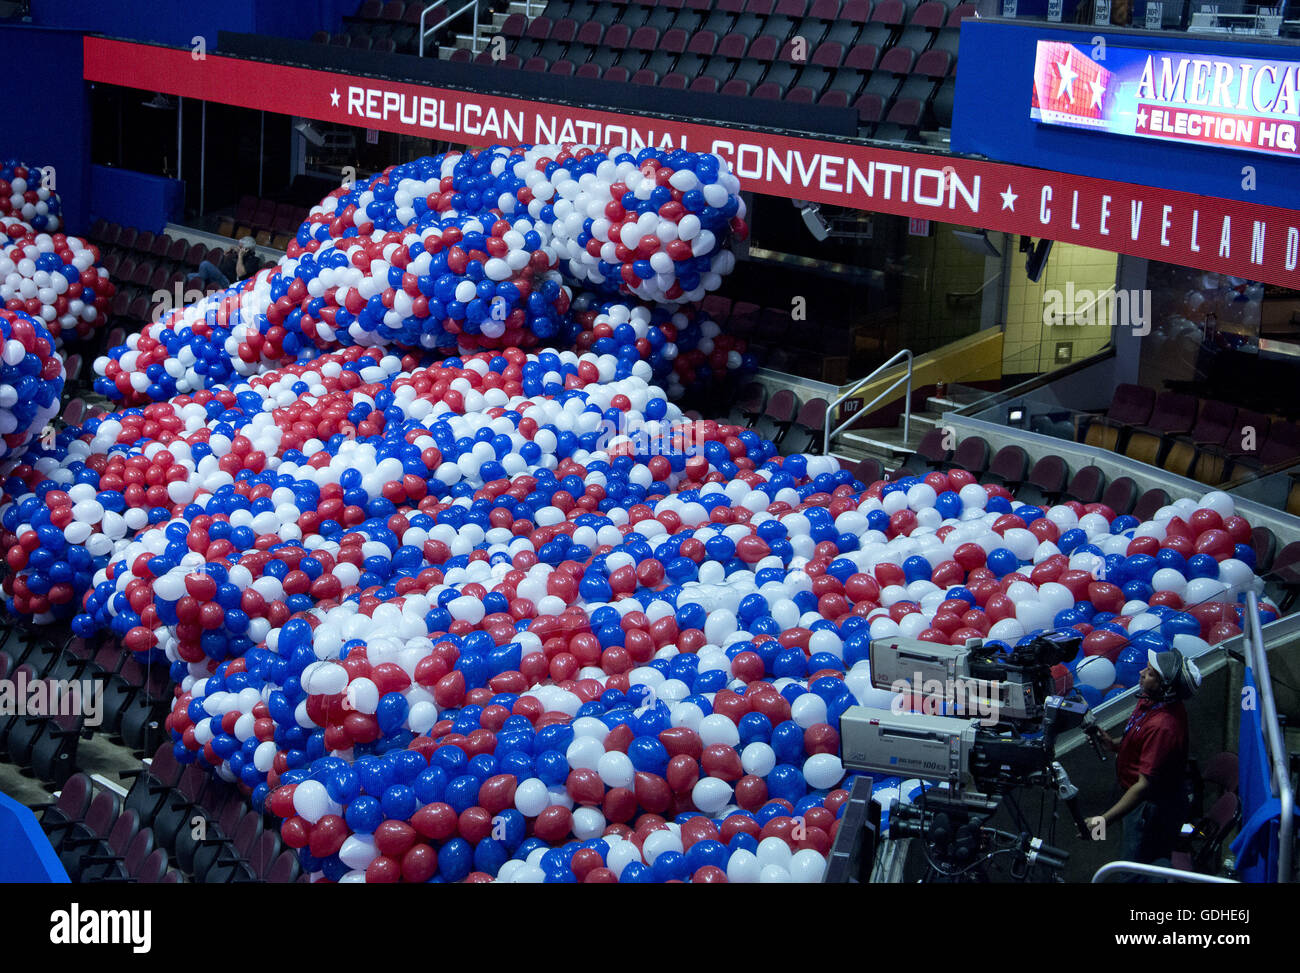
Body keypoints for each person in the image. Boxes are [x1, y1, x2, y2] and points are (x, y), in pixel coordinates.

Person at [1085, 648, 1201, 866]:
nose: (1140, 672)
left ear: (1165, 687)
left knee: (1137, 867)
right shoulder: (1150, 701)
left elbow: (1143, 787)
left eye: (1149, 673)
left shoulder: (1164, 727)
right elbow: (1139, 741)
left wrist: (1103, 820)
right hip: (1136, 797)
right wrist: (1113, 744)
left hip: (1150, 809)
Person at [195, 236, 263, 289]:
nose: (238, 248)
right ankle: (202, 281)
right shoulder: (236, 255)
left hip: (229, 283)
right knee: (190, 276)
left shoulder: (254, 261)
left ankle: (201, 282)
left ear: (247, 249)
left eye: (240, 247)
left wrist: (240, 257)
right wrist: (228, 252)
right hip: (221, 276)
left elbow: (240, 274)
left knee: (205, 264)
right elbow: (222, 263)